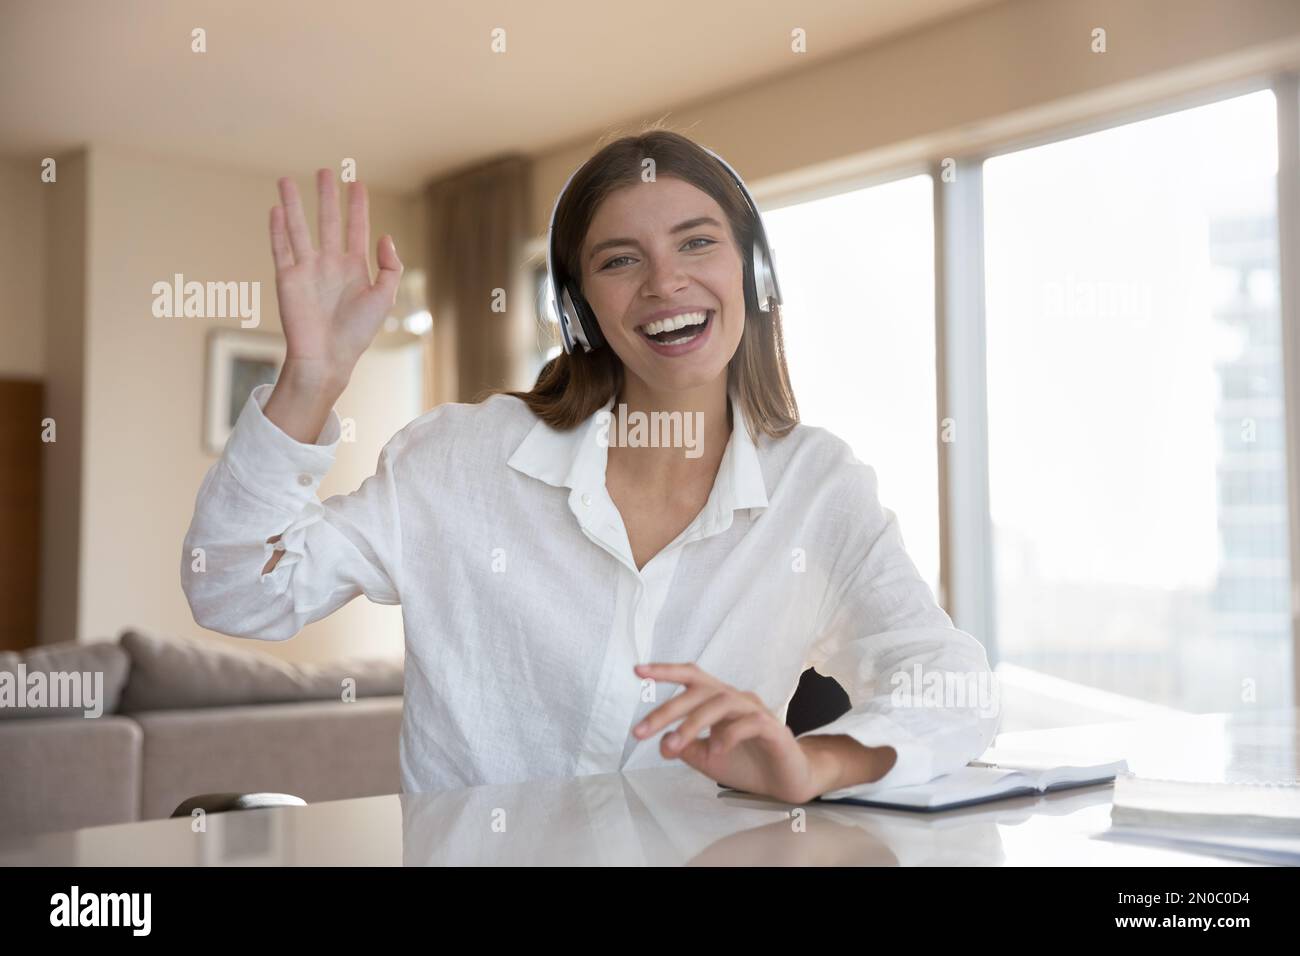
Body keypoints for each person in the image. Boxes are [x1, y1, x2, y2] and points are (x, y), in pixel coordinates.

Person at [181, 129, 998, 804]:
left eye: (697, 242)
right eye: (619, 260)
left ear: (752, 274)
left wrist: (819, 764)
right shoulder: (460, 460)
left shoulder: (819, 488)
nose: (665, 282)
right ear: (578, 309)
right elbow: (234, 587)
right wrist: (310, 380)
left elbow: (949, 679)